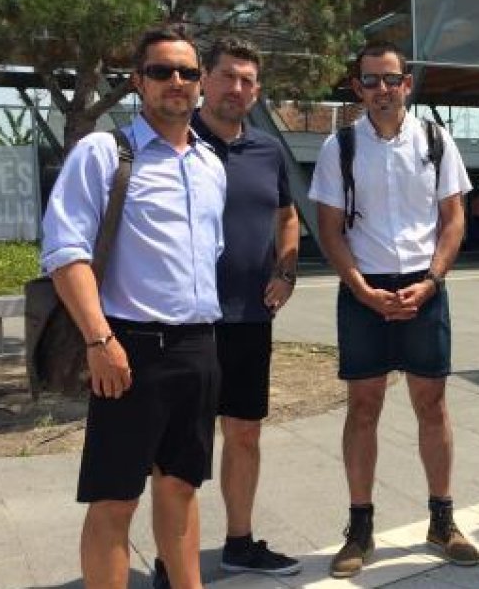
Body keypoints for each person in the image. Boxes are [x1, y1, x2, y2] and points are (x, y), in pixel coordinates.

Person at [40, 25, 225, 589]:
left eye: (188, 73)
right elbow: (64, 250)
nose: (176, 82)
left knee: (181, 487)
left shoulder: (209, 164)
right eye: (162, 71)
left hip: (198, 346)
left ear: (200, 85)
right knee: (115, 499)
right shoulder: (104, 151)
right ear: (137, 81)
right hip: (128, 348)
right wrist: (100, 341)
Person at [308, 40, 478, 578]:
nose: (381, 90)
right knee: (364, 405)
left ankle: (442, 520)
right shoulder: (341, 147)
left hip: (424, 285)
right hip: (365, 288)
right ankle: (359, 529)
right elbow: (329, 227)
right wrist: (359, 287)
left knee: (432, 404)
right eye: (370, 81)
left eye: (390, 79)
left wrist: (431, 281)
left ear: (406, 83)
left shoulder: (435, 138)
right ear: (357, 88)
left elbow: (453, 220)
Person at [187, 36, 303, 578]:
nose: (237, 88)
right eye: (227, 76)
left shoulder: (267, 150)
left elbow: (287, 217)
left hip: (250, 320)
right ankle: (175, 554)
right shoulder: (177, 142)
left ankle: (239, 542)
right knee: (180, 444)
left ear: (256, 93)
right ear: (204, 79)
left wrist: (285, 271)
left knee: (245, 433)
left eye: (247, 81)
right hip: (185, 321)